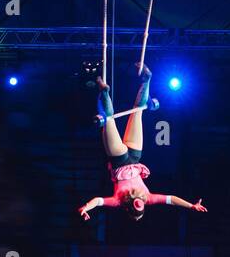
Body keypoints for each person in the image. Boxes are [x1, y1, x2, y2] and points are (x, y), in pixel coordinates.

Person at [78, 64, 207, 222]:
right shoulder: (147, 198)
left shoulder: (120, 201)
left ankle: (138, 82)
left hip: (132, 156)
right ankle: (140, 82)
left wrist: (86, 206)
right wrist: (191, 206)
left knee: (132, 113)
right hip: (124, 159)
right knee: (118, 117)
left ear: (131, 208)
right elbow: (171, 199)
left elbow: (98, 201)